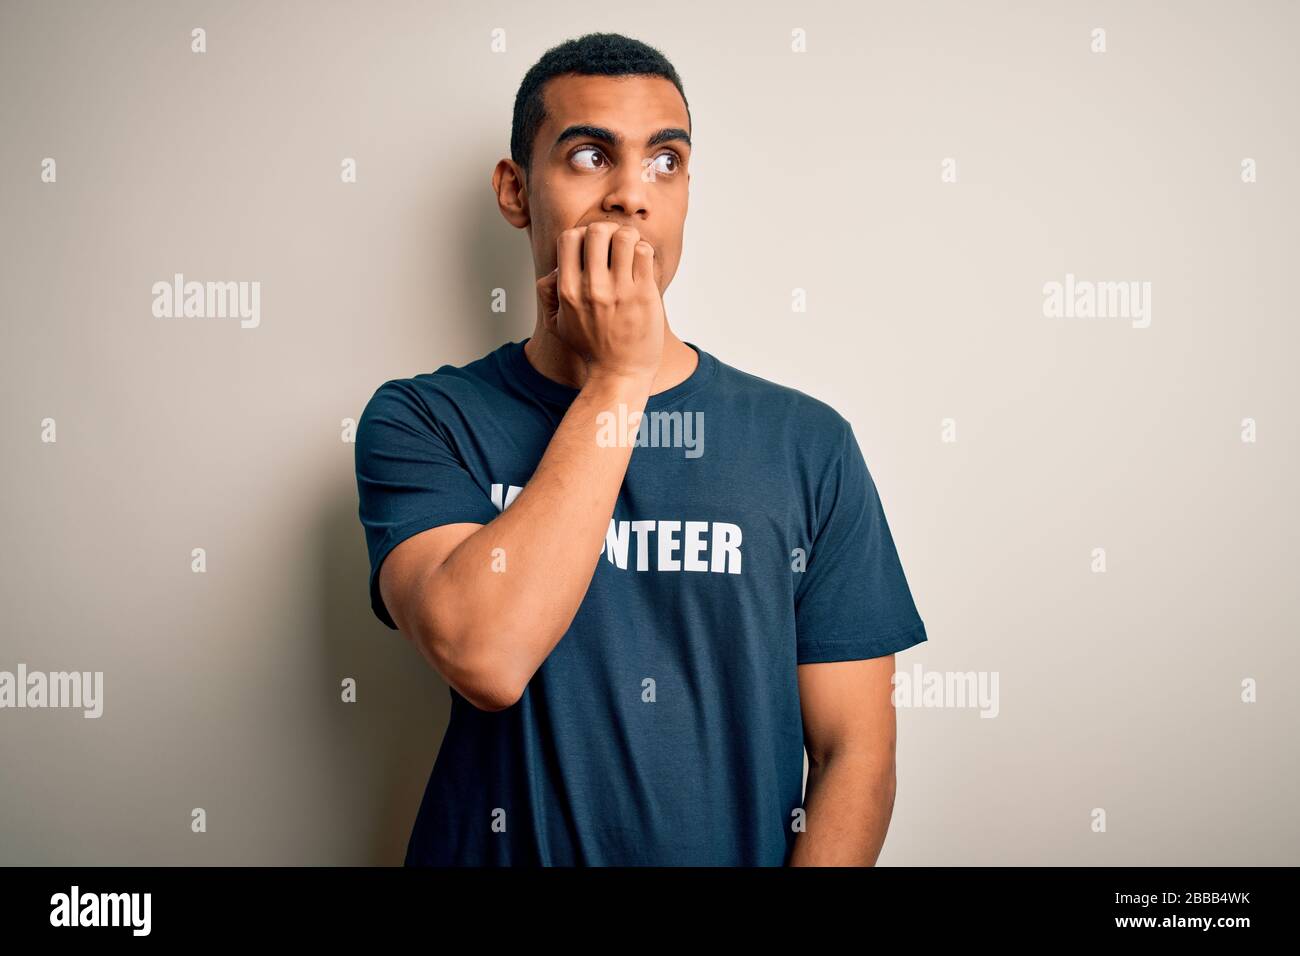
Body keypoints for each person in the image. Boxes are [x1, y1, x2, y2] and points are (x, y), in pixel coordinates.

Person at [354, 31, 928, 866]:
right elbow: (485, 655)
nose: (632, 194)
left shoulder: (807, 444)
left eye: (666, 162)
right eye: (590, 155)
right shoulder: (424, 420)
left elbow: (855, 755)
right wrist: (620, 379)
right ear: (515, 191)